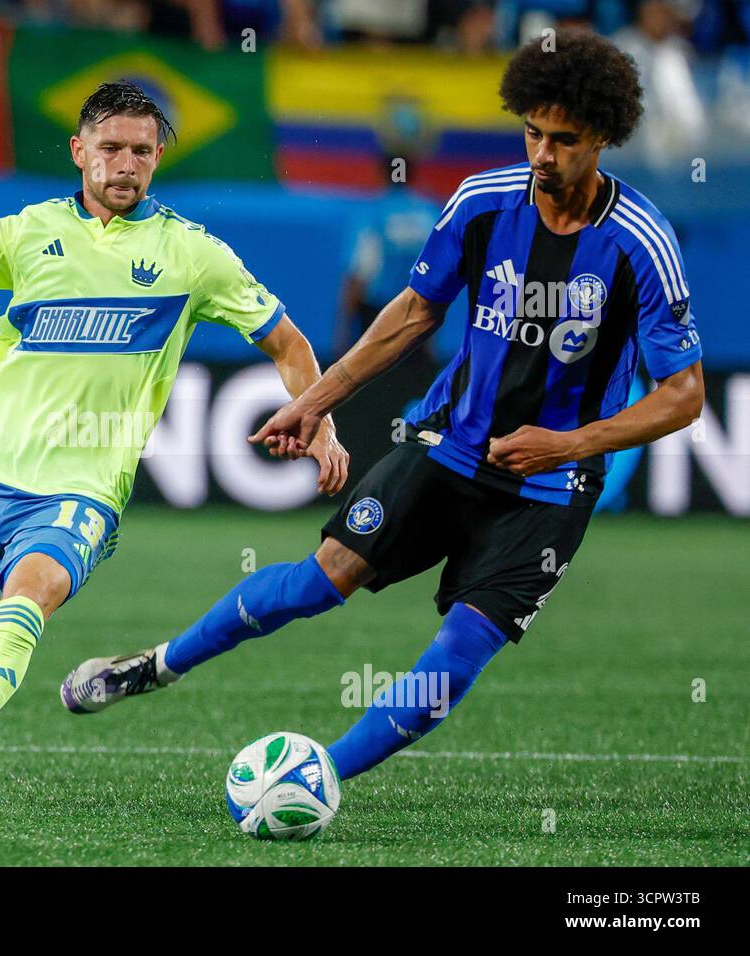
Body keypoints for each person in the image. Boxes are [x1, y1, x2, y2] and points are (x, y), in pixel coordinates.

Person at [60, 33, 704, 789]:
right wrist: (313, 402)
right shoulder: (482, 204)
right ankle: (158, 665)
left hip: (549, 490)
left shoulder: (640, 242)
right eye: (533, 132)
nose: (543, 154)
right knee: (319, 578)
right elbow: (409, 317)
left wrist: (571, 445)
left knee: (456, 654)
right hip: (448, 446)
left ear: (602, 137)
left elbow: (683, 394)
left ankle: (318, 777)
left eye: (564, 141)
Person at [0, 81, 347, 821]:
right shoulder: (24, 233)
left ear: (159, 156)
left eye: (141, 150)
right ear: (80, 152)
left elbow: (288, 341)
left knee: (24, 601)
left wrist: (319, 420)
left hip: (80, 491)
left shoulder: (192, 254)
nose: (125, 164)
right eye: (110, 148)